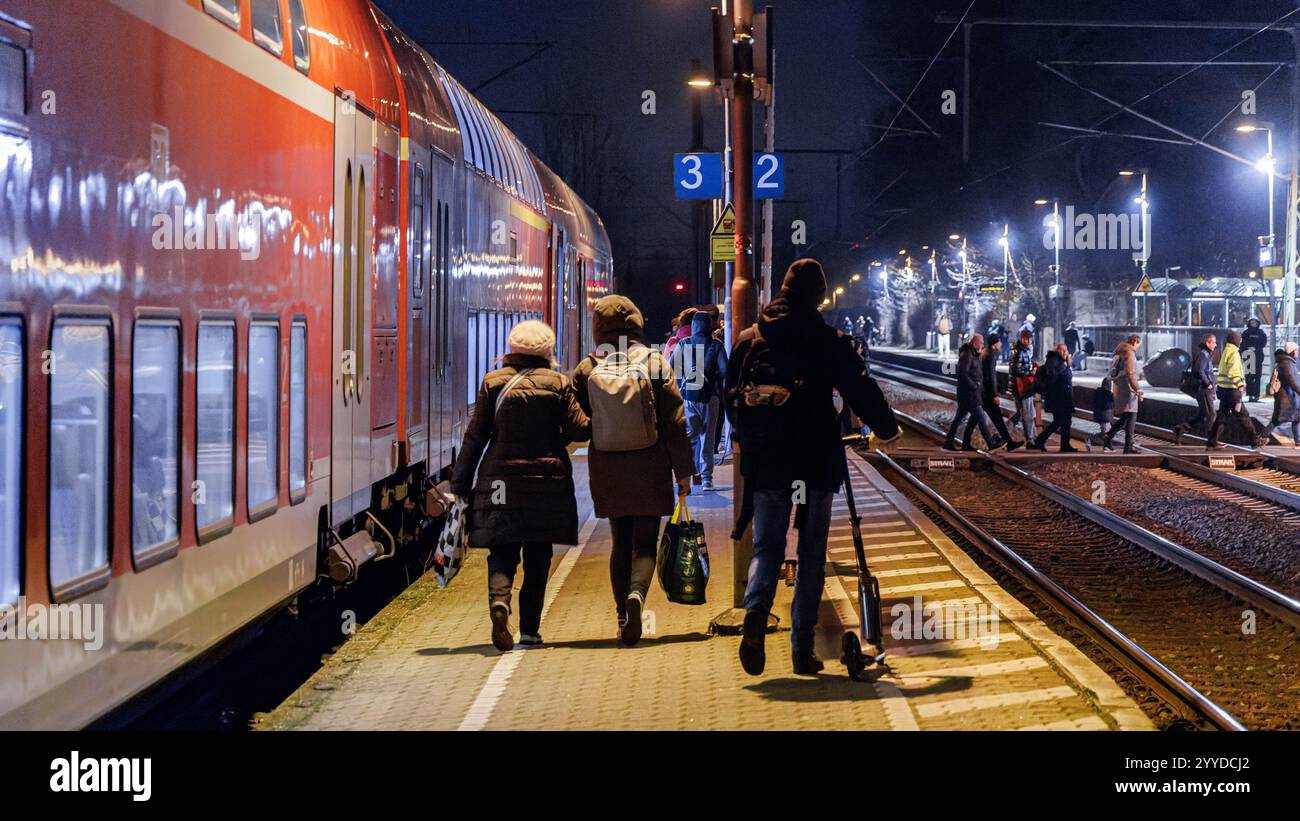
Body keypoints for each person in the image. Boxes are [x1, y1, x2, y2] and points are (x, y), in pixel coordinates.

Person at [726, 258, 900, 677]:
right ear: (817, 296)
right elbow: (860, 388)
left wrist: (750, 438)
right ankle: (802, 650)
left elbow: (731, 394)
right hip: (814, 462)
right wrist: (887, 430)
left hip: (768, 462)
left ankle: (755, 614)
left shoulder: (752, 339)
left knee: (767, 549)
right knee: (810, 553)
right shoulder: (827, 340)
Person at [451, 320, 590, 652]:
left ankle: (500, 603)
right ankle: (530, 631)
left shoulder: (492, 383)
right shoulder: (558, 383)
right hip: (546, 481)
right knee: (538, 557)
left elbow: (475, 437)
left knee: (502, 548)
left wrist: (459, 484)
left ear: (511, 350)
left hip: (499, 480)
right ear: (547, 351)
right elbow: (580, 430)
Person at [572, 295, 695, 647]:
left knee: (619, 541)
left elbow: (577, 423)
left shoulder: (587, 367)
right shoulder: (655, 362)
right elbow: (675, 421)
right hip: (651, 463)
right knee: (645, 543)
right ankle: (637, 596)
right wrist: (683, 472)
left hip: (608, 467)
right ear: (637, 324)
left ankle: (622, 616)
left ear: (598, 328)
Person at [671, 309, 728, 491]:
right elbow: (725, 370)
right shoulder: (716, 345)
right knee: (708, 439)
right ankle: (706, 480)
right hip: (710, 397)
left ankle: (687, 475)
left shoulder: (683, 344)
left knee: (691, 437)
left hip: (687, 397)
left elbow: (670, 367)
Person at [944, 334, 1001, 451]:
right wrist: (975, 386)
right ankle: (991, 444)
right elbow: (963, 375)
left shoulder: (974, 354)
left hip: (970, 394)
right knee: (981, 418)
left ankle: (954, 443)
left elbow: (976, 373)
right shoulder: (967, 356)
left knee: (959, 418)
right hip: (969, 395)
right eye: (981, 343)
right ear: (975, 344)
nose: (983, 345)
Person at [966, 332, 1021, 451]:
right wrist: (995, 394)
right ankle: (1009, 443)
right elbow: (991, 376)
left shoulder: (986, 353)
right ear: (995, 344)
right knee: (997, 419)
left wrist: (1000, 388)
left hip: (983, 392)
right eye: (999, 341)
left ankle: (966, 442)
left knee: (976, 418)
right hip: (988, 394)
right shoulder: (991, 355)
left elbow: (990, 375)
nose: (1001, 343)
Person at [1207, 330, 1258, 449]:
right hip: (1233, 391)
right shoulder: (1234, 353)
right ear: (1235, 340)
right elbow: (1233, 372)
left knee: (1222, 416)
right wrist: (1240, 384)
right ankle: (1255, 441)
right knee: (1243, 415)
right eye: (1239, 339)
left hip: (1224, 390)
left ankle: (1212, 441)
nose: (1241, 341)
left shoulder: (1226, 351)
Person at [1032, 343, 1078, 452]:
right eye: (1061, 350)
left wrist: (1067, 364)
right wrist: (1067, 365)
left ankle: (1043, 441)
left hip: (1062, 397)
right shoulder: (1054, 361)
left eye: (1065, 350)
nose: (1064, 352)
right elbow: (1053, 376)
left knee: (1060, 421)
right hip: (1059, 397)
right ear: (1056, 351)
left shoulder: (1059, 361)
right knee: (1064, 421)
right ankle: (1062, 445)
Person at [1101, 335, 1143, 453]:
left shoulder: (1118, 353)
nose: (1138, 347)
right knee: (1132, 416)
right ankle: (1128, 447)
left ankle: (1108, 437)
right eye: (1139, 344)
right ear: (1135, 342)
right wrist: (1137, 388)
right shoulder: (1129, 353)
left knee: (1125, 417)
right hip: (1128, 389)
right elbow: (1130, 373)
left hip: (1118, 387)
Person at [1173, 334, 1217, 445]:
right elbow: (1200, 371)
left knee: (1202, 413)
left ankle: (1181, 428)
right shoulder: (1203, 355)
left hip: (1205, 389)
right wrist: (1208, 384)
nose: (1215, 345)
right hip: (1203, 388)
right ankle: (1211, 442)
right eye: (1214, 342)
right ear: (1208, 343)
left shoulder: (1205, 354)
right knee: (1211, 414)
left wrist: (1213, 391)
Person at [1267, 341, 1300, 446]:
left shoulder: (1290, 363)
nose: (1298, 352)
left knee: (1297, 419)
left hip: (1293, 398)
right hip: (1287, 398)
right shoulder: (1286, 364)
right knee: (1277, 420)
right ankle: (1261, 436)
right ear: (1291, 352)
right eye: (1296, 350)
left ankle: (1298, 440)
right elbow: (1291, 381)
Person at [1009, 328, 1038, 443]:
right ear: (1022, 339)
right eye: (1026, 339)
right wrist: (1031, 372)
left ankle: (1001, 434)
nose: (1028, 341)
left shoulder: (1018, 350)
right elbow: (1017, 369)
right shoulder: (1021, 351)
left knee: (1021, 413)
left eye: (1029, 339)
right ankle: (1031, 440)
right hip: (1023, 386)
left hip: (1018, 386)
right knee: (1028, 414)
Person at [1241, 317, 1269, 402]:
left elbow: (1263, 342)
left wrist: (1256, 348)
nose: (1253, 324)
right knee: (1249, 376)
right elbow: (1242, 344)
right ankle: (1250, 394)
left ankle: (1256, 395)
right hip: (1248, 356)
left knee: (1257, 376)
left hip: (1258, 356)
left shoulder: (1261, 333)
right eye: (1251, 322)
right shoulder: (1246, 333)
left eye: (1255, 322)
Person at [1089, 375, 1115, 446]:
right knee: (1106, 432)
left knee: (1106, 431)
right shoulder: (1109, 394)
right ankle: (1095, 438)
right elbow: (1110, 406)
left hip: (1100, 416)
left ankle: (1103, 443)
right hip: (1105, 417)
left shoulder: (1098, 392)